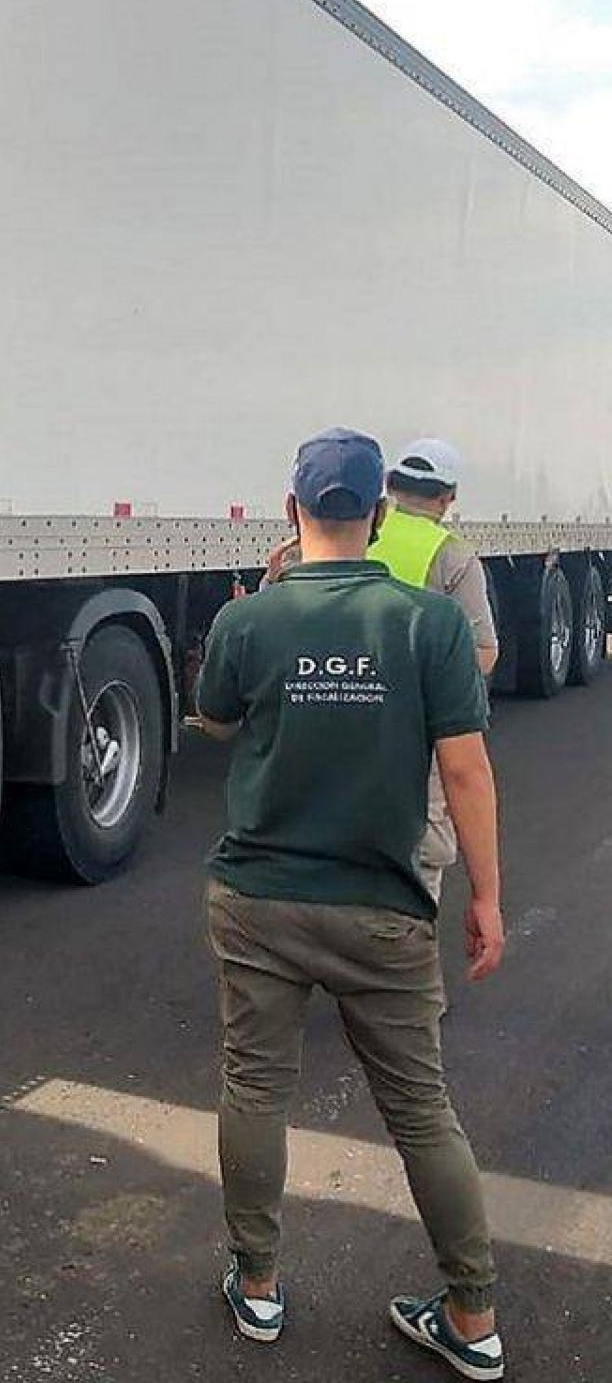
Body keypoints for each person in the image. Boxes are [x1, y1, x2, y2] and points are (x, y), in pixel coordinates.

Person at [196, 428, 507, 1379]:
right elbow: (466, 772)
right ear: (376, 515)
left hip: (261, 898)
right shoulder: (430, 624)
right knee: (421, 1110)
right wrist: (487, 898)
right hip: (385, 904)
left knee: (256, 1088)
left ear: (292, 510)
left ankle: (255, 1286)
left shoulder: (250, 622)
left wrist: (264, 597)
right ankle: (472, 1313)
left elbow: (214, 717)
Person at [370, 440, 499, 902]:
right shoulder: (453, 555)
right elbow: (483, 653)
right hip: (415, 727)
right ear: (447, 498)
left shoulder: (355, 537)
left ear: (389, 489)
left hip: (341, 711)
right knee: (421, 849)